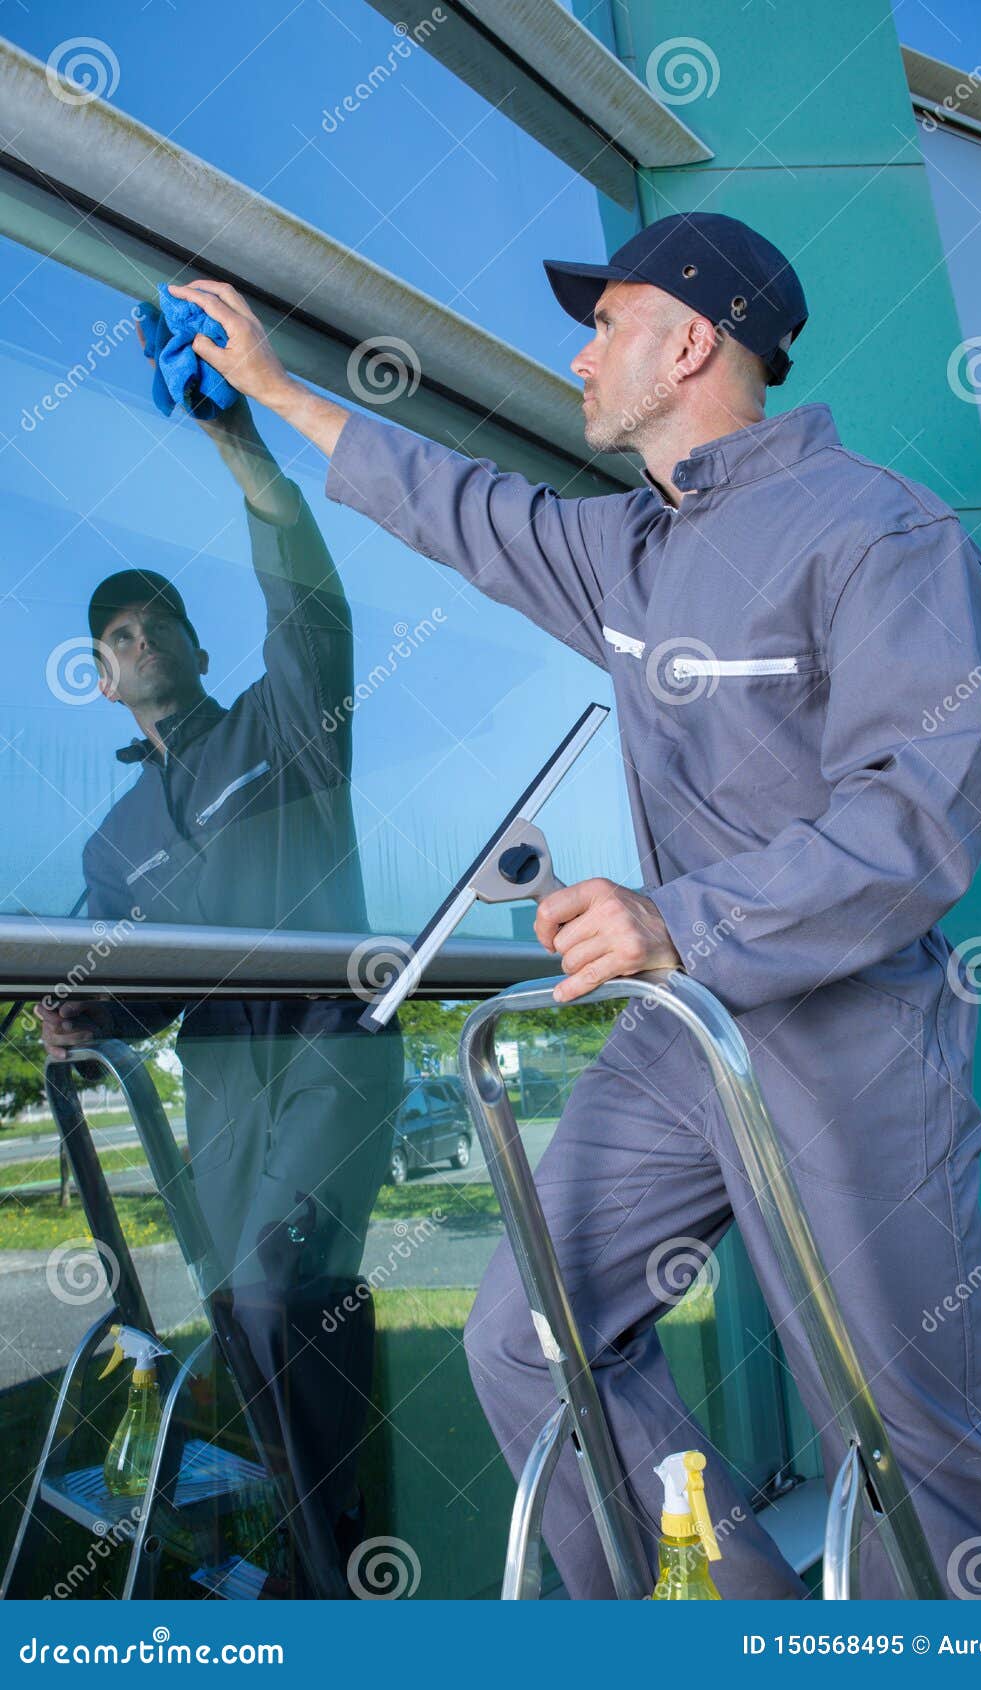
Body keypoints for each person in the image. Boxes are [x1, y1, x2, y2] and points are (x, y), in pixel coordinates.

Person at [162, 210, 981, 1600]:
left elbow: (913, 820)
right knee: (531, 1336)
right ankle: (732, 1625)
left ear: (690, 338)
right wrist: (276, 394)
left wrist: (674, 922)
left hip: (844, 1041)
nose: (579, 353)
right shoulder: (629, 547)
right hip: (678, 1036)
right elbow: (459, 505)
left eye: (604, 322)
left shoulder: (879, 530)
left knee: (912, 1445)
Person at [37, 386, 403, 1599]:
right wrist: (84, 1013)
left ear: (196, 642)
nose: (135, 643)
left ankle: (330, 1573)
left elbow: (313, 604)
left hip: (332, 1044)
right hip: (221, 1086)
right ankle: (336, 1540)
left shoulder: (284, 726)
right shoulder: (112, 845)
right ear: (99, 680)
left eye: (154, 625)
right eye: (114, 639)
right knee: (250, 1312)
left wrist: (242, 451)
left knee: (265, 1288)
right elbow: (129, 993)